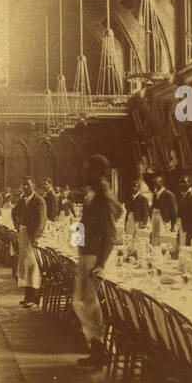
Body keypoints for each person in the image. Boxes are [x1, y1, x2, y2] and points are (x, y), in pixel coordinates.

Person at [74, 155, 122, 369]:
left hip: (95, 258)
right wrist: (77, 243)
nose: (85, 175)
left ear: (98, 173)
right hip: (86, 254)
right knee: (81, 303)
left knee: (91, 305)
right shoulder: (93, 194)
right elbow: (83, 224)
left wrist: (101, 264)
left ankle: (100, 353)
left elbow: (111, 234)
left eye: (88, 171)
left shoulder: (104, 195)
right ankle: (95, 348)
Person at [13, 176, 46, 307]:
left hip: (33, 237)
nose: (25, 187)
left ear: (34, 186)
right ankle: (27, 296)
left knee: (33, 266)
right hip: (23, 235)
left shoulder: (39, 201)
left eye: (28, 185)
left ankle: (34, 298)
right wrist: (17, 225)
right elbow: (14, 211)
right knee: (25, 266)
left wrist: (36, 238)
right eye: (24, 185)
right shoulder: (23, 200)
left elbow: (41, 221)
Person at [150, 175, 177, 247]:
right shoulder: (154, 194)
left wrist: (173, 224)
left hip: (164, 219)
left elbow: (174, 211)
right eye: (154, 182)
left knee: (163, 238)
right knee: (155, 237)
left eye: (157, 182)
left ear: (162, 183)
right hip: (155, 218)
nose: (155, 184)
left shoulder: (169, 194)